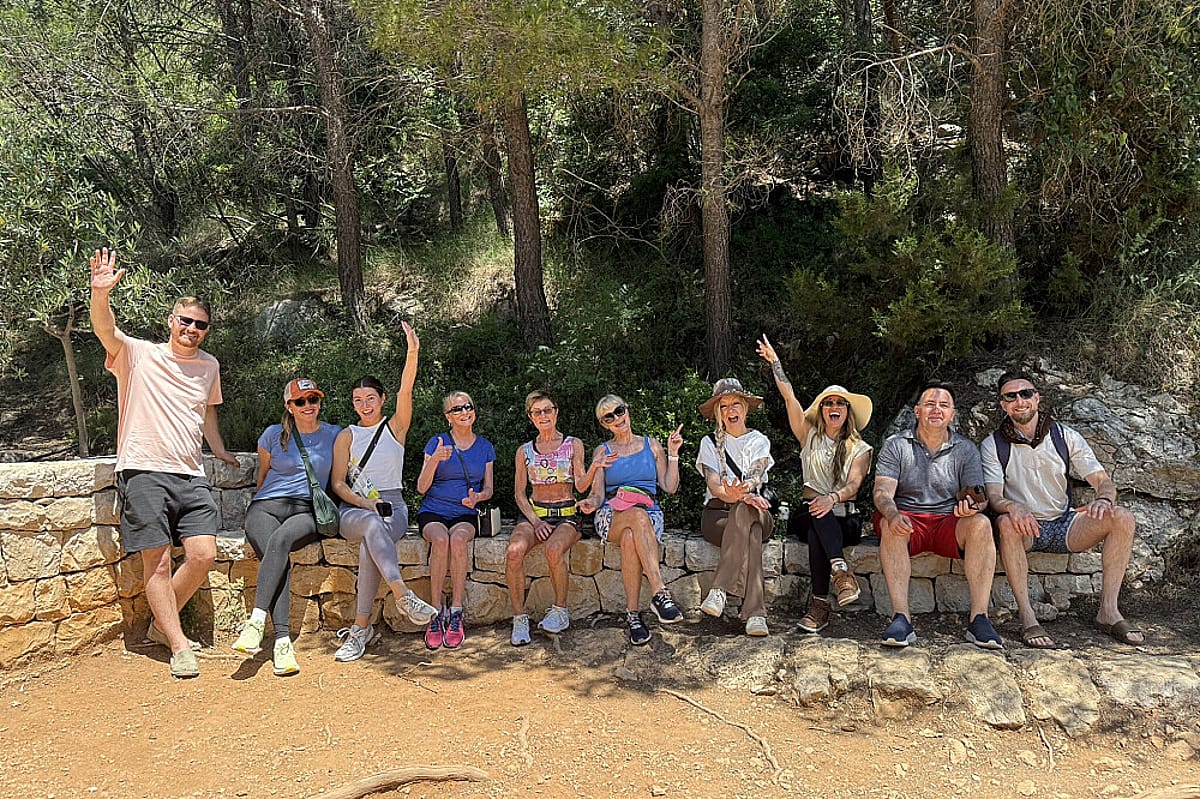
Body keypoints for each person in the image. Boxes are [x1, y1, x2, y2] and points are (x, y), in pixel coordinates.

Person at [88, 248, 238, 679]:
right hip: (143, 469)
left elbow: (207, 412)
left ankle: (160, 623)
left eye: (200, 324)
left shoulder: (209, 365)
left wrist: (221, 450)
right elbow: (106, 329)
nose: (192, 329)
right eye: (185, 321)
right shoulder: (139, 354)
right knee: (155, 562)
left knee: (203, 554)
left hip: (191, 473)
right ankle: (178, 644)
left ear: (207, 331)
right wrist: (101, 294)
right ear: (172, 322)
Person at [982, 371, 1143, 648]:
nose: (1019, 401)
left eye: (1025, 394)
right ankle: (1028, 617)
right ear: (1003, 405)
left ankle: (1108, 610)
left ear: (1037, 398)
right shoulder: (993, 445)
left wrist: (1103, 500)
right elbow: (994, 497)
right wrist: (1013, 507)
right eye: (1011, 396)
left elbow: (1102, 481)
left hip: (1065, 523)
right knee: (1006, 523)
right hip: (1026, 528)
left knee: (1122, 518)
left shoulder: (1064, 436)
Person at [328, 322, 439, 662]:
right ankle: (402, 594)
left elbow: (407, 390)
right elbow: (337, 484)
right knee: (370, 526)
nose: (364, 405)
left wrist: (413, 351)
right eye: (358, 400)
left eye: (370, 399)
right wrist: (366, 503)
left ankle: (360, 630)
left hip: (393, 506)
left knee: (370, 548)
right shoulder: (346, 435)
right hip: (354, 509)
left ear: (382, 400)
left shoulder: (395, 428)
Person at [872, 382, 1002, 649]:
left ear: (952, 414)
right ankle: (901, 618)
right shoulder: (896, 445)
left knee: (981, 524)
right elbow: (882, 492)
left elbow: (979, 495)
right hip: (908, 518)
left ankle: (979, 619)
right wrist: (894, 514)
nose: (936, 410)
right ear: (917, 411)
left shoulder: (965, 449)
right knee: (889, 524)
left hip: (948, 521)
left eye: (944, 405)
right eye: (930, 404)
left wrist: (972, 507)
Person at [758, 335, 874, 634]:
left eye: (840, 403)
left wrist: (831, 499)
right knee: (814, 513)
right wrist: (776, 363)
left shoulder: (860, 448)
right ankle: (840, 571)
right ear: (822, 410)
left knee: (817, 524)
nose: (834, 406)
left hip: (844, 517)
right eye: (828, 403)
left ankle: (820, 604)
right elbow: (789, 398)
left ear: (847, 411)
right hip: (808, 510)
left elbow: (854, 485)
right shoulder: (809, 436)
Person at [230, 378, 341, 675]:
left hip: (307, 509)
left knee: (280, 542)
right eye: (300, 401)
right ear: (288, 407)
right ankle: (282, 643)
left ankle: (256, 621)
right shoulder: (272, 435)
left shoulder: (335, 434)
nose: (308, 406)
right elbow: (263, 478)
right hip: (266, 507)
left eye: (313, 399)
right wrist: (258, 504)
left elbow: (346, 473)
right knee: (275, 556)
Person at [578, 395, 685, 645]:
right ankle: (660, 592)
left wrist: (673, 454)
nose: (617, 418)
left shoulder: (652, 445)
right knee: (635, 517)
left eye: (619, 411)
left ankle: (634, 616)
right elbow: (597, 495)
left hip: (649, 515)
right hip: (611, 515)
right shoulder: (602, 451)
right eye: (609, 417)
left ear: (627, 409)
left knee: (630, 536)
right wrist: (589, 504)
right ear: (604, 424)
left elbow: (669, 487)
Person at [506, 390, 606, 646]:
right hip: (535, 513)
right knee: (514, 551)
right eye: (537, 412)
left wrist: (594, 466)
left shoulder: (573, 444)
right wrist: (536, 522)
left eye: (548, 409)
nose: (544, 415)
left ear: (556, 411)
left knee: (553, 549)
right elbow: (519, 493)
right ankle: (519, 618)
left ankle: (561, 610)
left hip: (566, 513)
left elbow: (582, 485)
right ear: (530, 417)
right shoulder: (524, 451)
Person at [695, 378, 776, 636]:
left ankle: (720, 589)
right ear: (718, 412)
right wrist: (731, 495)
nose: (731, 411)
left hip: (757, 509)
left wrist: (747, 491)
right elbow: (715, 486)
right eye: (724, 406)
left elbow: (755, 474)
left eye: (735, 404)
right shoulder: (709, 443)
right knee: (750, 534)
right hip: (718, 515)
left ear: (745, 408)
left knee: (747, 511)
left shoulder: (759, 440)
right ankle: (755, 614)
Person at [415, 391, 496, 650]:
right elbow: (421, 487)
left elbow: (489, 490)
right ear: (447, 416)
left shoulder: (485, 446)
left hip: (465, 512)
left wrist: (478, 498)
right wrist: (435, 460)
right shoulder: (436, 442)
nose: (464, 412)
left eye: (467, 407)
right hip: (434, 510)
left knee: (458, 540)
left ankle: (457, 610)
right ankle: (436, 611)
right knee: (440, 540)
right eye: (456, 409)